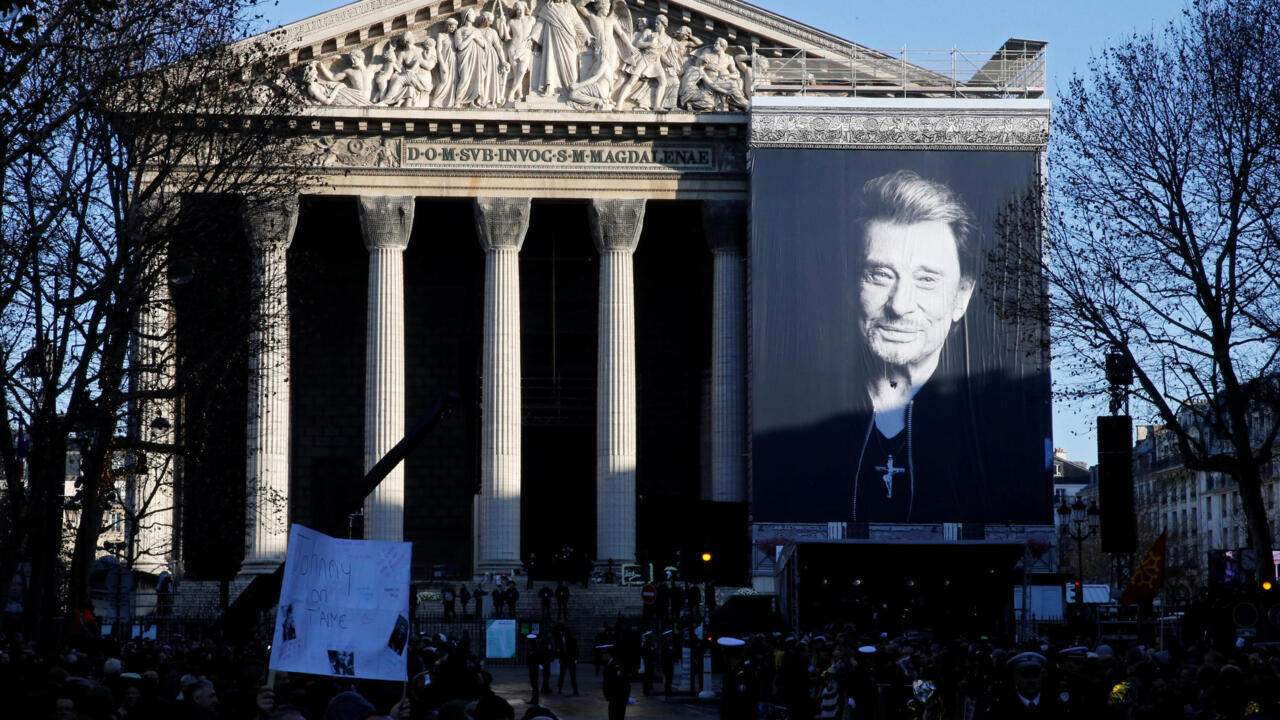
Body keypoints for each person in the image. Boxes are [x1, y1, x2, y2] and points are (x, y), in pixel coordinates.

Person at [600, 644, 630, 720]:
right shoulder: (610, 665)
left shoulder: (616, 665)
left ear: (607, 655)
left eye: (603, 655)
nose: (602, 657)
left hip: (617, 697)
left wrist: (625, 696)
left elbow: (624, 683)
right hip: (614, 697)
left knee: (616, 716)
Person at [557, 627, 580, 696]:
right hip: (565, 659)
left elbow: (576, 650)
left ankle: (575, 690)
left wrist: (575, 658)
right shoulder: (561, 640)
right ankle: (560, 689)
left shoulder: (572, 641)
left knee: (572, 675)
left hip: (570, 659)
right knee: (563, 675)